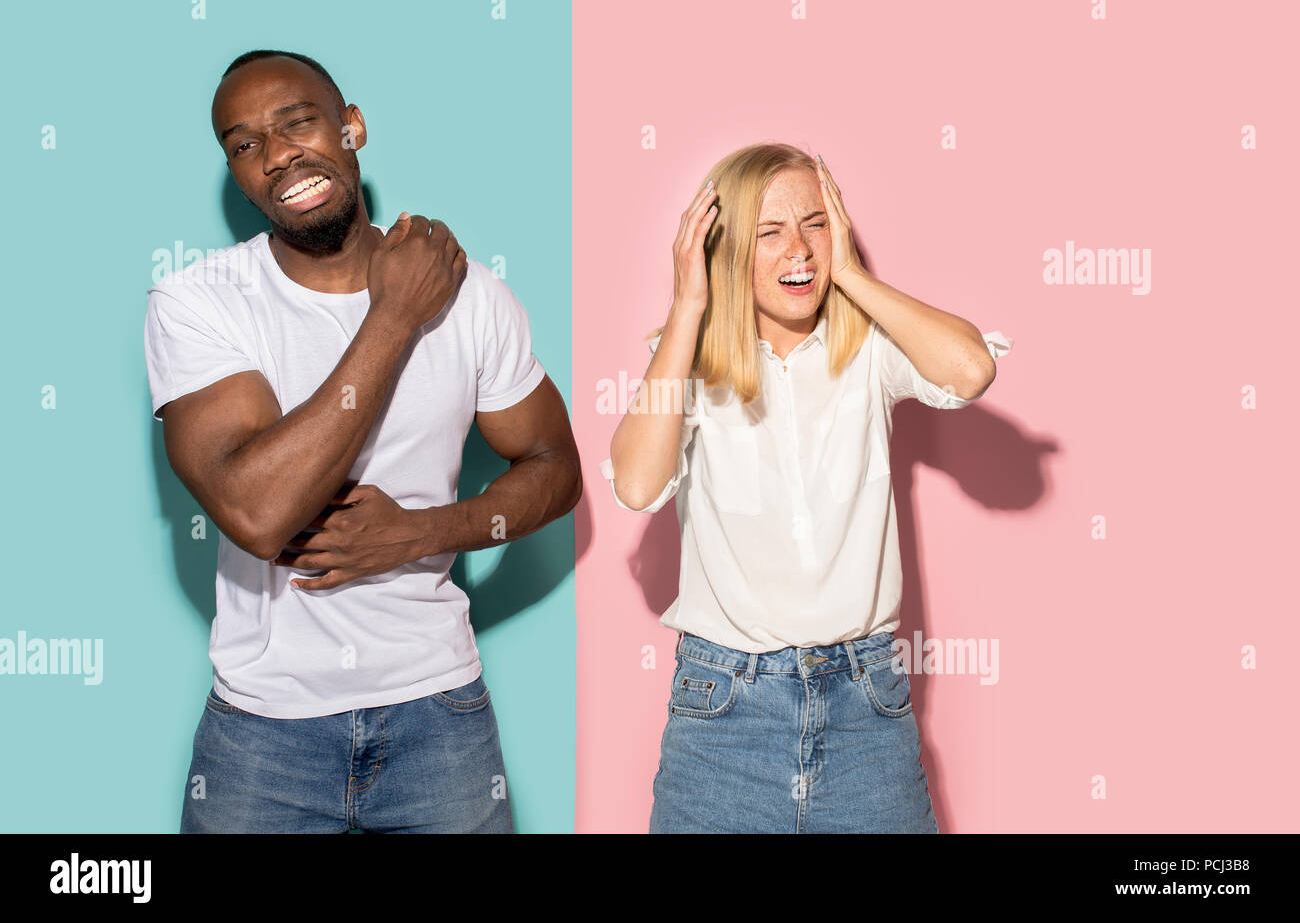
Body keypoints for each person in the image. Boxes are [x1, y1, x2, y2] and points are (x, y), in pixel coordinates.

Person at [144, 50, 580, 833]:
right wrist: (395, 315)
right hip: (263, 730)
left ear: (353, 126)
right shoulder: (198, 304)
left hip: (439, 715)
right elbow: (258, 510)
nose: (276, 155)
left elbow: (556, 468)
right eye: (243, 145)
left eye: (297, 122)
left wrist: (419, 532)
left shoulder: (472, 296)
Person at [600, 142, 1012, 833]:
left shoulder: (872, 351)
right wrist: (691, 303)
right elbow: (638, 484)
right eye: (769, 231)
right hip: (723, 712)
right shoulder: (688, 362)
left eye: (815, 223)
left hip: (866, 711)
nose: (799, 247)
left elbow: (969, 368)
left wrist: (850, 273)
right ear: (725, 250)